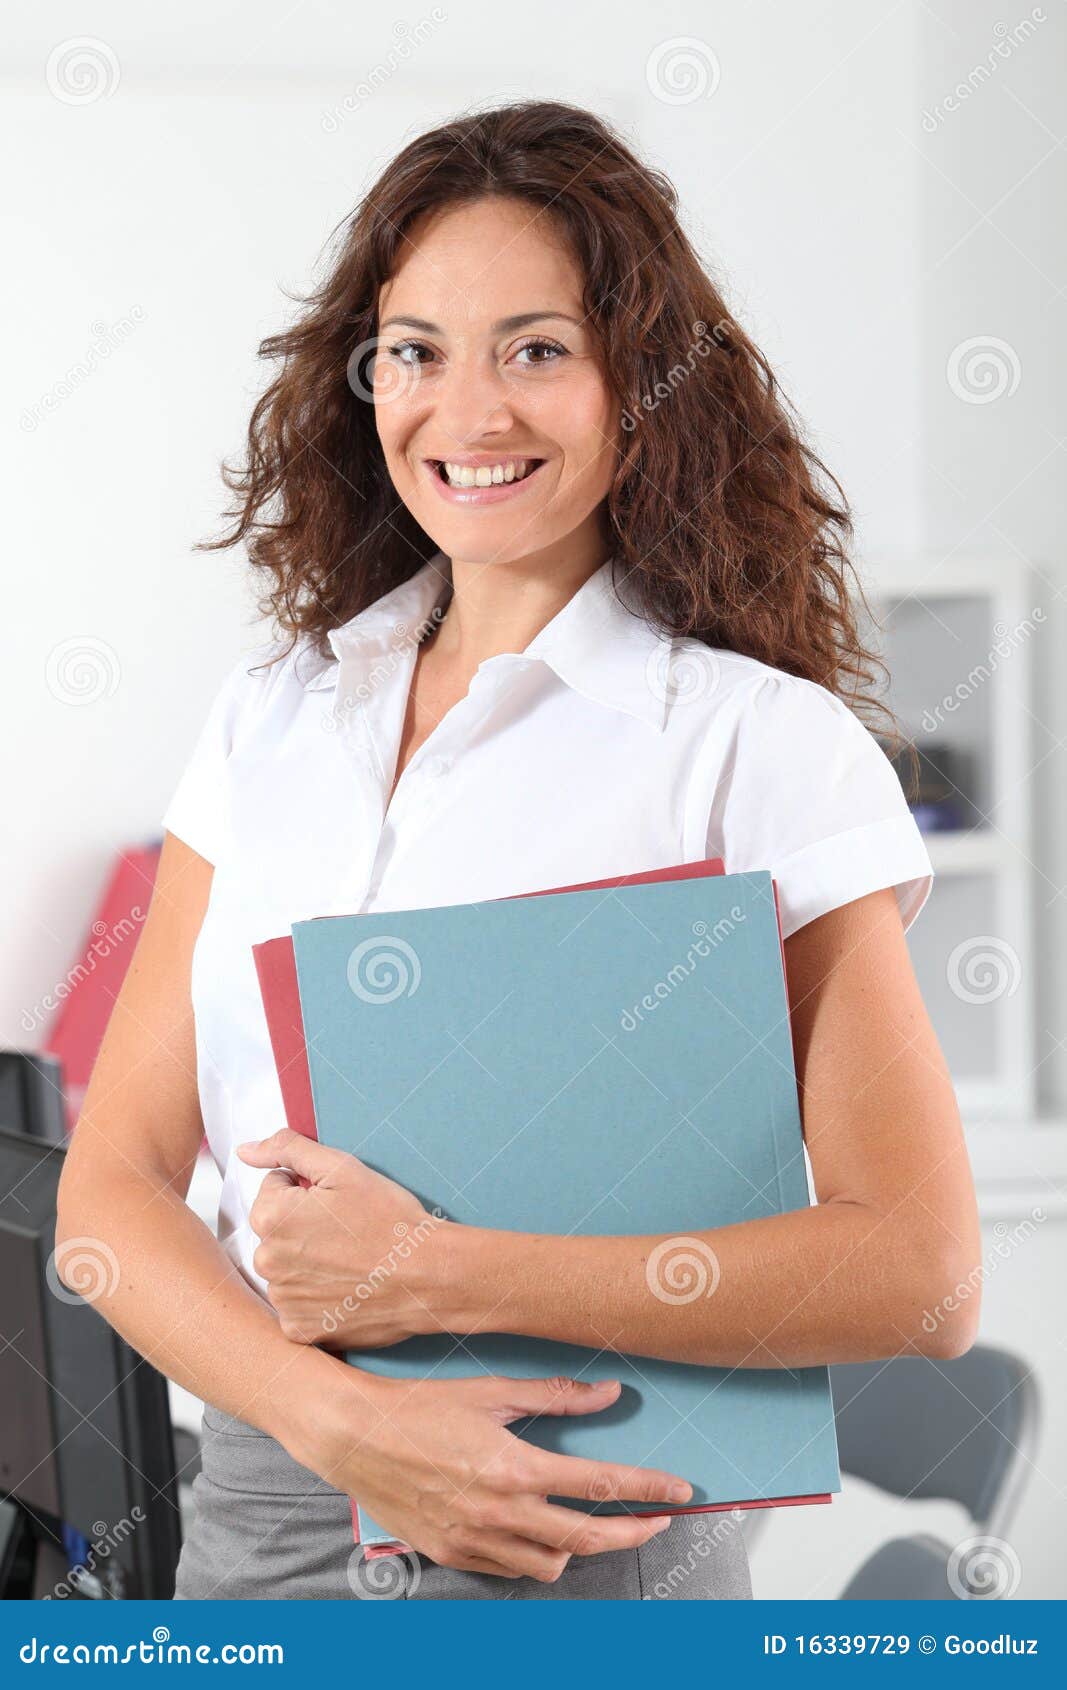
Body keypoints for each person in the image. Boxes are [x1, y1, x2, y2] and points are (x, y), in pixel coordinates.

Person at [56, 99, 980, 1602]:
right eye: (415, 351)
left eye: (536, 349)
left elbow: (922, 1269)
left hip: (580, 1537)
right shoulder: (270, 718)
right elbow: (109, 1198)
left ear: (644, 387)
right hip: (264, 1504)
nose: (467, 411)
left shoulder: (753, 749)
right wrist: (347, 1421)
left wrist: (441, 1274)